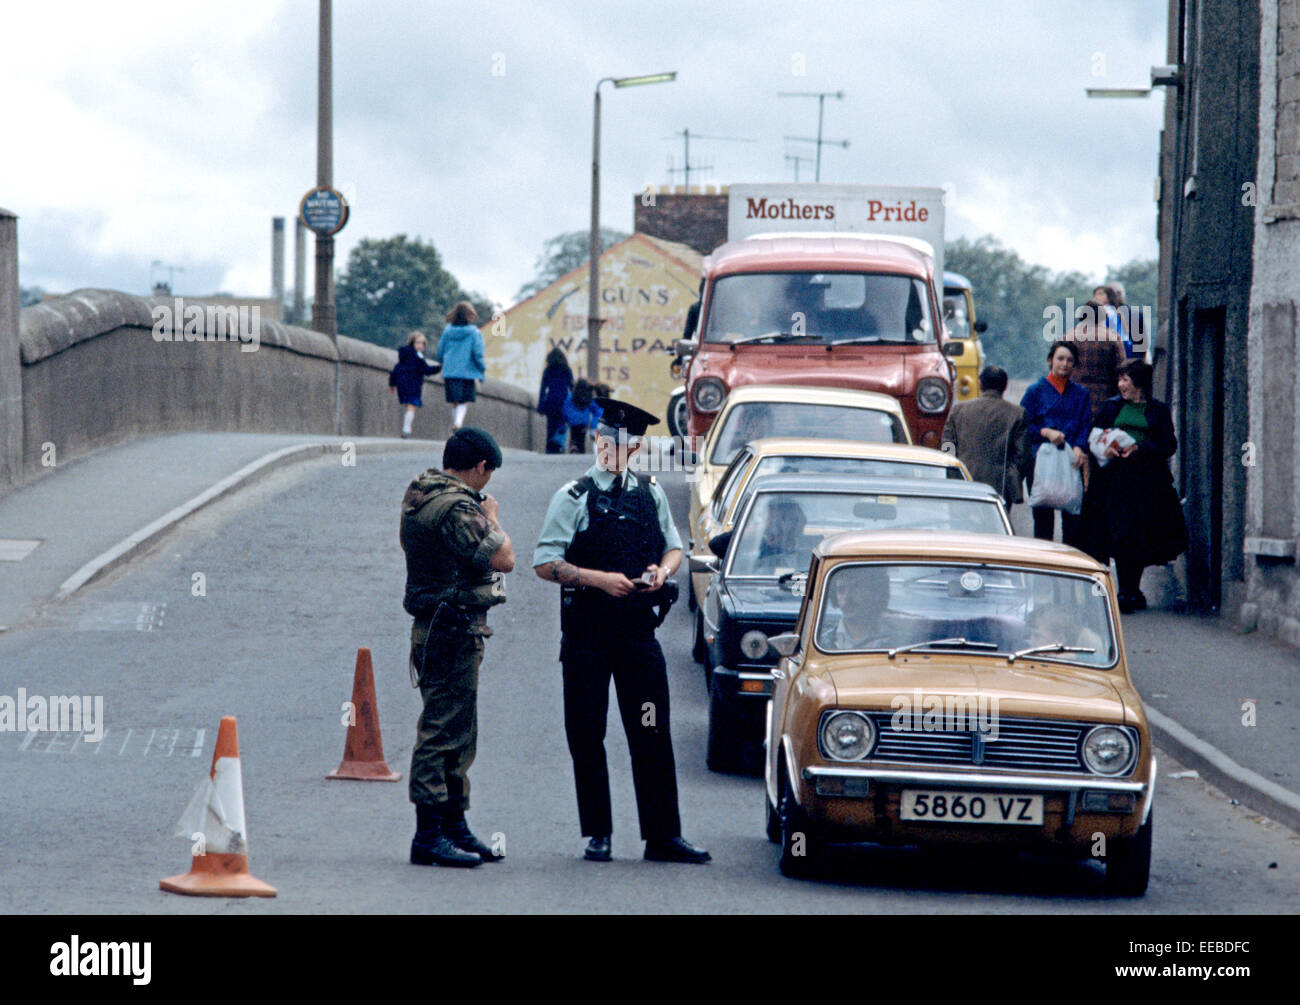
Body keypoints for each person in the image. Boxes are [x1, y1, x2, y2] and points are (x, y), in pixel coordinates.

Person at [532, 397, 710, 865]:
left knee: (651, 730)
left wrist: (661, 572)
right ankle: (599, 833)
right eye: (607, 441)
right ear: (598, 441)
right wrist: (597, 580)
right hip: (588, 634)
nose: (613, 450)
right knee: (587, 733)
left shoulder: (649, 493)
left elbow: (675, 547)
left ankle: (663, 835)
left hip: (637, 634)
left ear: (636, 449)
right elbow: (545, 563)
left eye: (624, 444)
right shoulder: (573, 496)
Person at [400, 427, 515, 868]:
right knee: (442, 732)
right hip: (450, 629)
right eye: (489, 474)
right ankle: (428, 835)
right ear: (480, 467)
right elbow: (503, 558)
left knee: (458, 730)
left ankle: (453, 826)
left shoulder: (423, 492)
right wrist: (495, 518)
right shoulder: (455, 508)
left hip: (443, 627)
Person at [1082, 359, 1187, 614]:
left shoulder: (1157, 411)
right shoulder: (1110, 408)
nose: (1120, 385)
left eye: (1125, 380)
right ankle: (1122, 589)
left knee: (1139, 535)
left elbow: (1168, 445)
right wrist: (1108, 448)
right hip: (1114, 482)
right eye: (1119, 380)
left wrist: (1140, 448)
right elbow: (1094, 437)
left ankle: (1132, 589)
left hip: (1147, 483)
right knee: (1116, 533)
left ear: (1139, 383)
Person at [1019, 341, 1092, 547]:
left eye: (1070, 360)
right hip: (1041, 460)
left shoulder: (1081, 394)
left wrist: (1079, 446)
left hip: (1070, 461)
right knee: (1042, 520)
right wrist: (1044, 431)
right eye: (1060, 358)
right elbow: (1023, 425)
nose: (1065, 364)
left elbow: (1085, 425)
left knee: (1072, 519)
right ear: (1050, 360)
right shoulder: (1035, 391)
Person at [941, 365, 1033, 509]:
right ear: (1005, 386)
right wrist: (1012, 476)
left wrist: (953, 474)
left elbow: (948, 447)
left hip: (963, 483)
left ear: (980, 384)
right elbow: (1023, 456)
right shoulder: (1017, 414)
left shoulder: (958, 411)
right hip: (999, 488)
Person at [433, 301, 486, 433]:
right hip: (468, 372)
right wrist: (482, 367)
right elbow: (477, 353)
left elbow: (440, 350)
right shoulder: (474, 333)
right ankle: (458, 422)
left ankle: (456, 424)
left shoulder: (447, 331)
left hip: (450, 371)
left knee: (454, 400)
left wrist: (441, 361)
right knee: (464, 400)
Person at [1066, 304, 1126, 418]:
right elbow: (1122, 369)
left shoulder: (1068, 337)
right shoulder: (1112, 337)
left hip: (1073, 397)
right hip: (1104, 397)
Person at [819, 565, 892, 650]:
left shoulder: (899, 639)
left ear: (873, 592)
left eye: (856, 587)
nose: (847, 597)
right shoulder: (823, 643)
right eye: (841, 590)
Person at [388, 331, 442, 439]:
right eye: (418, 343)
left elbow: (397, 368)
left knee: (409, 406)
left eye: (422, 343)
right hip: (413, 384)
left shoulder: (404, 355)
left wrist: (392, 383)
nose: (420, 346)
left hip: (402, 383)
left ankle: (406, 429)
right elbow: (426, 370)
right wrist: (439, 367)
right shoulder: (417, 357)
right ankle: (406, 430)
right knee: (411, 406)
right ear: (412, 343)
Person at [537, 348, 574, 454]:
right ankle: (559, 447)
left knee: (551, 426)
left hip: (551, 401)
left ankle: (549, 448)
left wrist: (541, 405)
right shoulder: (566, 369)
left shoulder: (548, 370)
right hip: (563, 401)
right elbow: (572, 387)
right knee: (561, 425)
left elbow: (543, 389)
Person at [562, 378, 601, 454]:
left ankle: (573, 446)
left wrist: (565, 419)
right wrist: (594, 424)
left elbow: (565, 408)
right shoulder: (588, 397)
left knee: (573, 435)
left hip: (572, 421)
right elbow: (596, 410)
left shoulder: (571, 396)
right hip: (583, 421)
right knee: (581, 438)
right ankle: (580, 450)